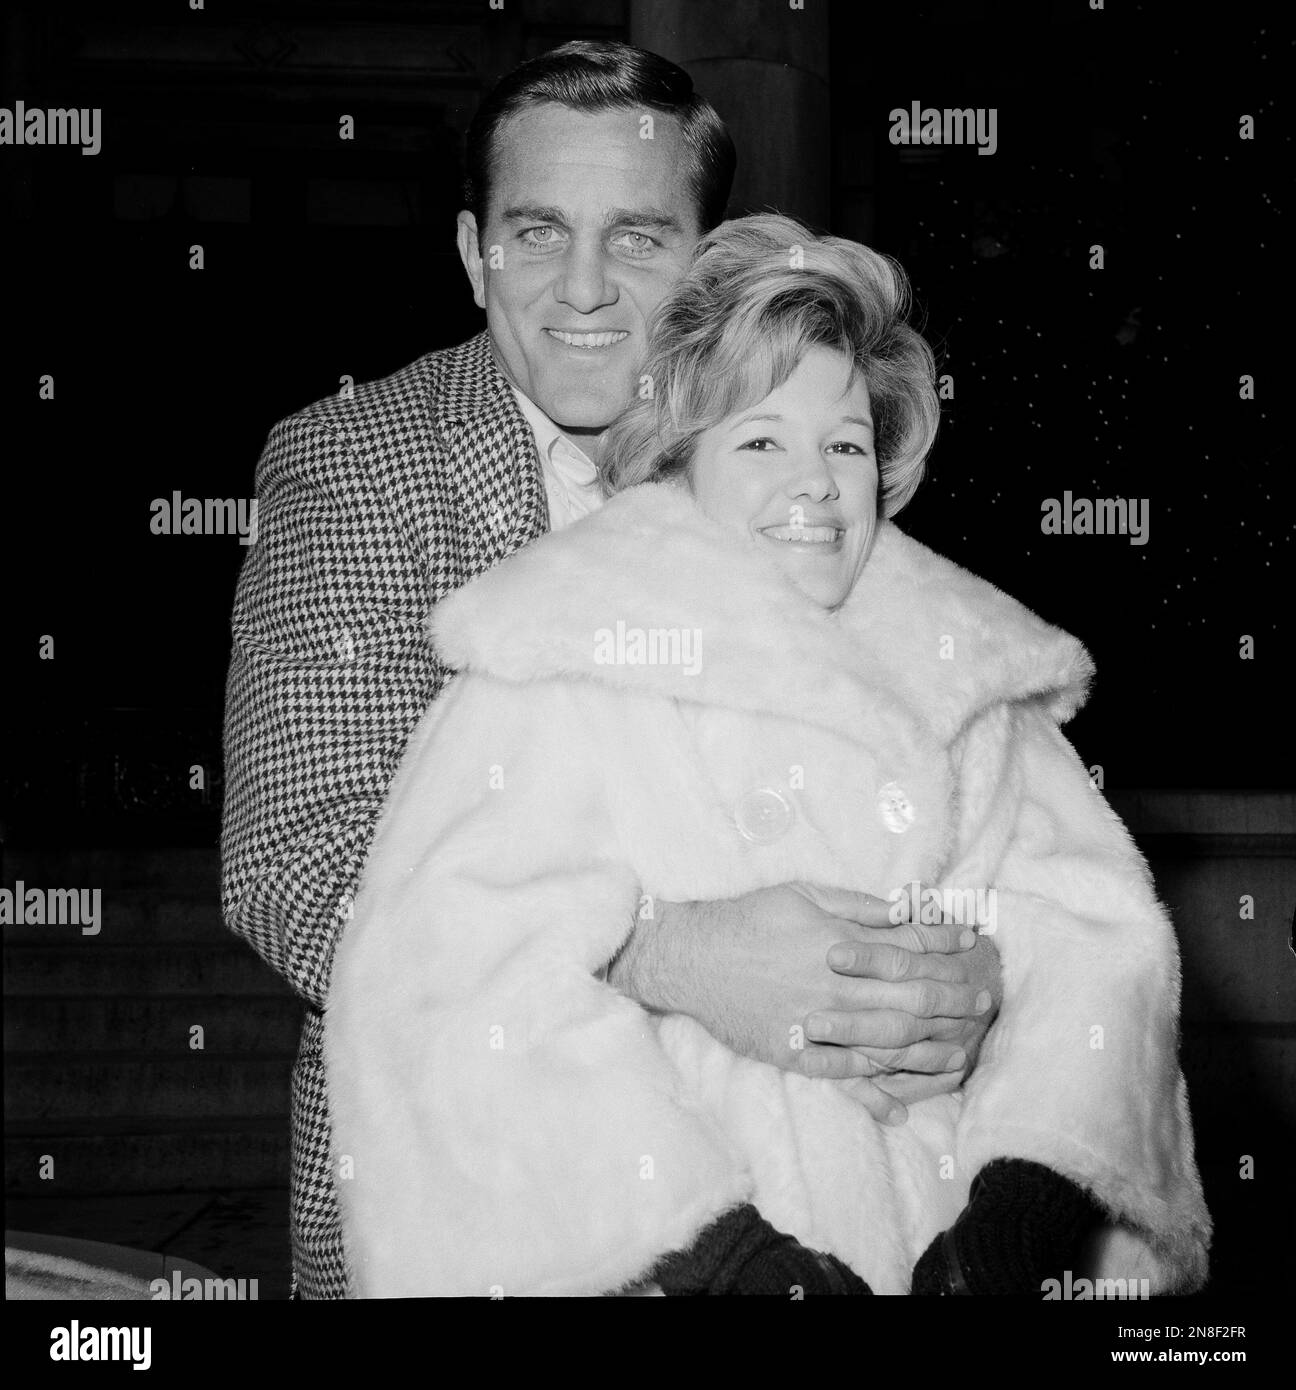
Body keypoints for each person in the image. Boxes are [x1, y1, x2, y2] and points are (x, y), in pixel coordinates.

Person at [221, 41, 999, 1300]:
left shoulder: (795, 462)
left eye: (636, 239)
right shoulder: (352, 466)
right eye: (536, 234)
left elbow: (927, 796)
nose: (580, 290)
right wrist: (670, 956)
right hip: (470, 1213)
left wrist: (959, 976)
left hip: (804, 1217)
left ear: (707, 262)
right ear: (475, 253)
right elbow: (301, 867)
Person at [326, 214, 1211, 1297]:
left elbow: (1100, 949)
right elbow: (445, 985)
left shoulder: (970, 677)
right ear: (678, 461)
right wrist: (729, 1262)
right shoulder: (555, 664)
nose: (816, 483)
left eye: (844, 442)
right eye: (760, 440)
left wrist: (1008, 1227)